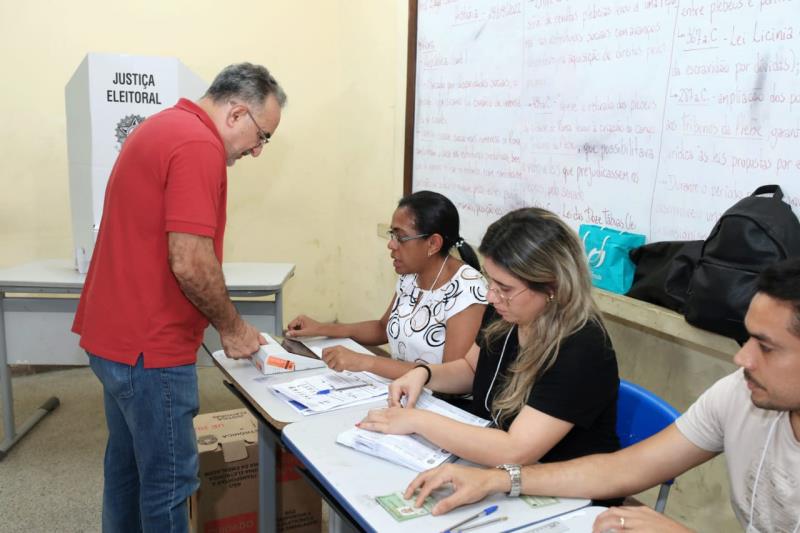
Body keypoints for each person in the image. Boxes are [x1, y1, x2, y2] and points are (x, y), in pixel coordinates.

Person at [404, 258, 800, 533]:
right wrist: (499, 480)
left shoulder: (580, 345)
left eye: (766, 347)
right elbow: (619, 470)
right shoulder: (737, 394)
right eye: (745, 337)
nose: (741, 357)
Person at [71, 63, 286, 532]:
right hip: (151, 351)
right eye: (261, 136)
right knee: (170, 486)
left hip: (114, 339)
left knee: (127, 471)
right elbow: (189, 260)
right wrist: (233, 326)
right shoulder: (196, 145)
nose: (257, 151)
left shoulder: (161, 126)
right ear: (236, 113)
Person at [357, 207, 621, 478]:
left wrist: (417, 420)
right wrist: (422, 374)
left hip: (563, 487)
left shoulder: (582, 347)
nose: (491, 296)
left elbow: (515, 450)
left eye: (504, 288)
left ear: (552, 287)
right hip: (500, 466)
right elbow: (471, 370)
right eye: (491, 281)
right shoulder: (508, 311)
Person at [286, 190, 487, 379]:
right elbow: (383, 328)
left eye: (400, 237)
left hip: (442, 405)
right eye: (392, 235)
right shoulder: (411, 275)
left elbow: (450, 377)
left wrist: (366, 362)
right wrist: (321, 328)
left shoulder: (467, 290)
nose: (391, 244)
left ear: (433, 244)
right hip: (401, 390)